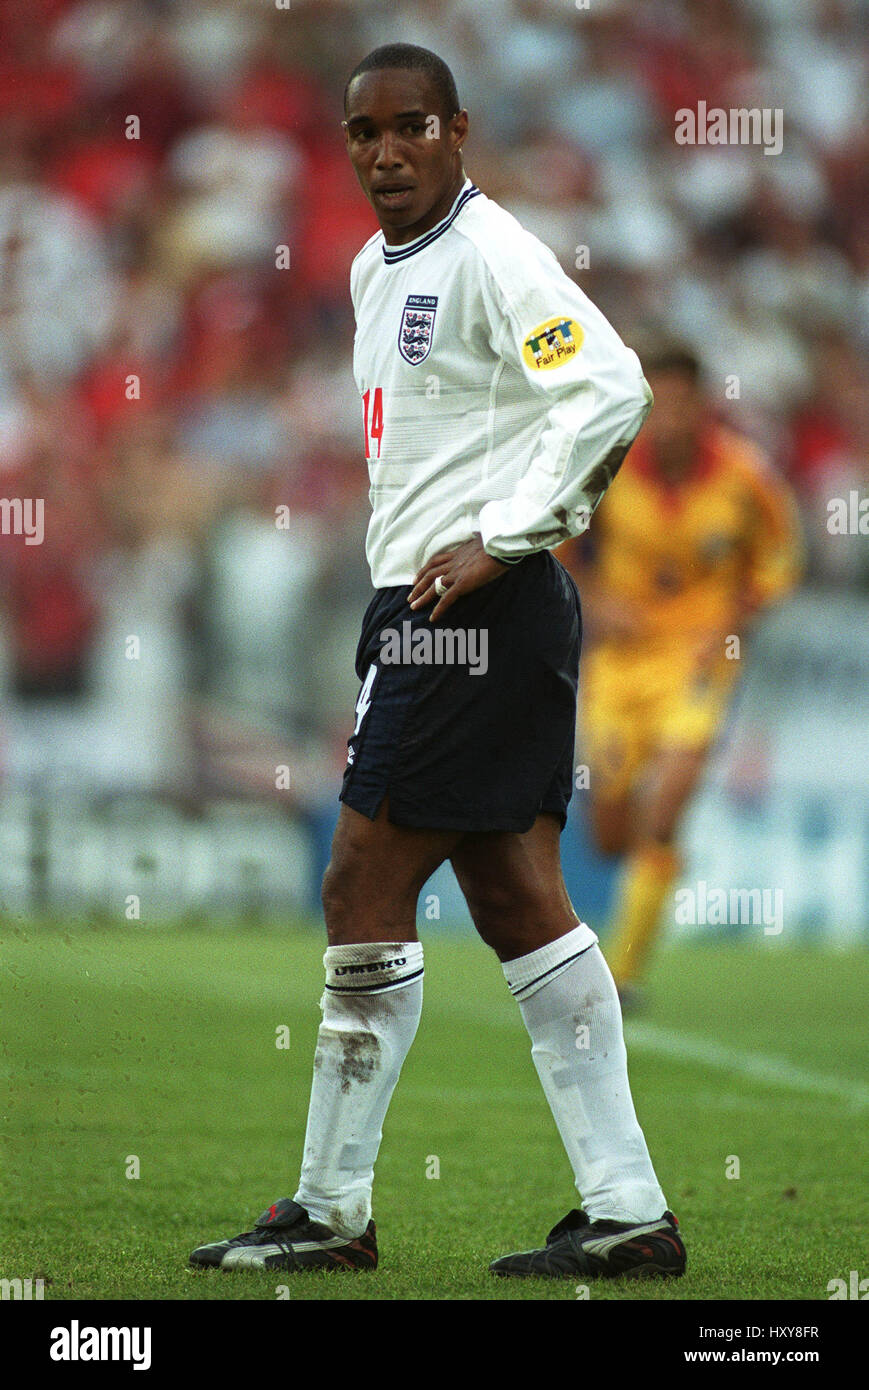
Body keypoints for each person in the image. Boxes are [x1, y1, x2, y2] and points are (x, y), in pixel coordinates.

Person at [189, 44, 686, 1282]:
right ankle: (628, 1211)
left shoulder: (491, 251)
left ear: (457, 131)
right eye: (364, 133)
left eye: (411, 126)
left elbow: (607, 388)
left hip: (467, 612)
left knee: (359, 880)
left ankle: (329, 1208)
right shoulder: (375, 267)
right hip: (433, 603)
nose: (386, 152)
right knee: (517, 898)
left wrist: (503, 535)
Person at [559, 338, 802, 1009]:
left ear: (702, 405)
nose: (666, 419)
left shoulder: (745, 475)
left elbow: (779, 561)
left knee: (664, 810)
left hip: (697, 661)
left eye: (679, 404)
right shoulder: (606, 466)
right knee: (609, 835)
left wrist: (734, 620)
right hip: (619, 664)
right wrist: (596, 601)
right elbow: (560, 548)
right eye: (655, 404)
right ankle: (648, 873)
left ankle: (620, 977)